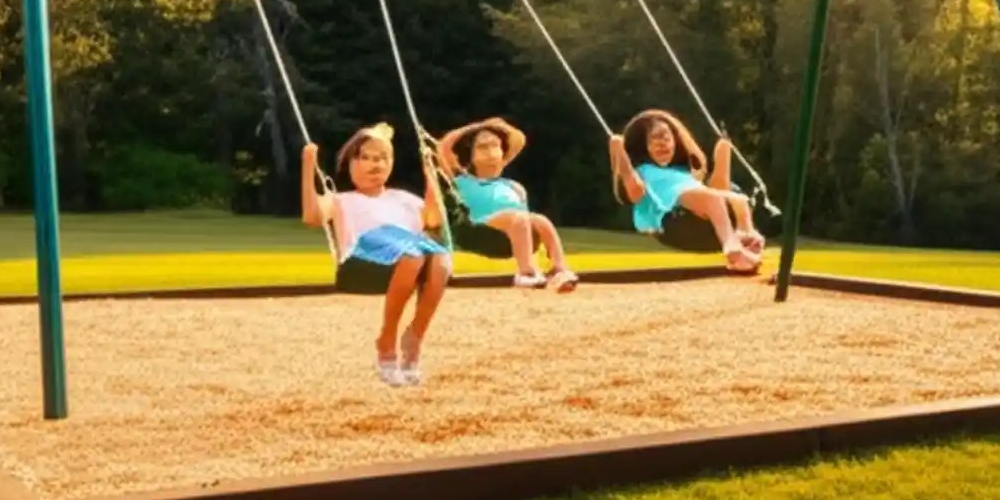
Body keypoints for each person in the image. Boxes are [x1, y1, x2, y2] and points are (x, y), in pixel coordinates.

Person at [301, 122, 450, 386]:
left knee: (441, 260)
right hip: (364, 257)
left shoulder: (404, 199)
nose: (375, 164)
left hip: (406, 254)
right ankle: (387, 340)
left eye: (382, 158)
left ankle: (414, 337)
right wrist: (308, 166)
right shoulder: (341, 200)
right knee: (412, 252)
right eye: (366, 158)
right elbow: (312, 217)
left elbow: (434, 220)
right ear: (350, 163)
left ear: (391, 164)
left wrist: (431, 177)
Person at [608, 109, 764, 270]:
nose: (662, 144)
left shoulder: (683, 173)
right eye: (655, 138)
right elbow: (634, 193)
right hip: (672, 223)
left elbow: (719, 191)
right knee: (713, 198)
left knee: (739, 200)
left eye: (666, 138)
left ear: (675, 141)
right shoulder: (643, 171)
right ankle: (732, 247)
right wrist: (619, 152)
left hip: (702, 223)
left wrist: (723, 152)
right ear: (644, 146)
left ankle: (747, 238)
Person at [436, 117, 578, 291]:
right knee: (519, 218)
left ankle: (559, 269)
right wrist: (477, 127)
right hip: (478, 232)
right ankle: (526, 272)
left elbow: (519, 143)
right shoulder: (460, 180)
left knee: (541, 220)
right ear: (470, 154)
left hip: (513, 235)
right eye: (482, 147)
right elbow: (443, 148)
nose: (491, 153)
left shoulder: (513, 187)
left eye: (495, 146)